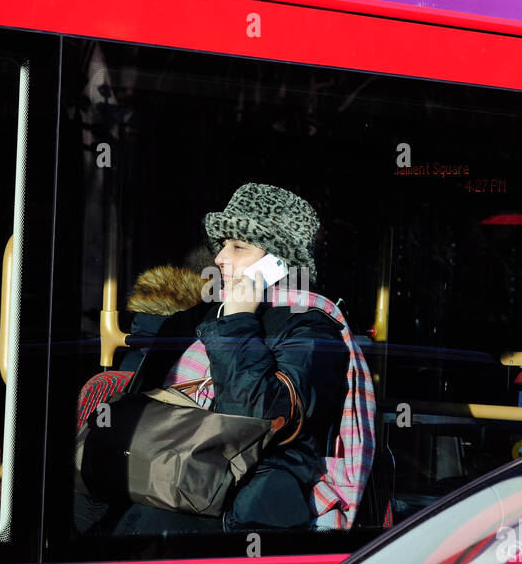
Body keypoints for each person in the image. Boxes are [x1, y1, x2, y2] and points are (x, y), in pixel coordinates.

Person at [107, 183, 361, 534]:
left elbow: (255, 418)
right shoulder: (202, 316)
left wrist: (239, 324)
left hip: (237, 503)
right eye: (222, 244)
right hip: (168, 474)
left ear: (279, 262)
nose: (219, 258)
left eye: (238, 246)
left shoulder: (311, 328)